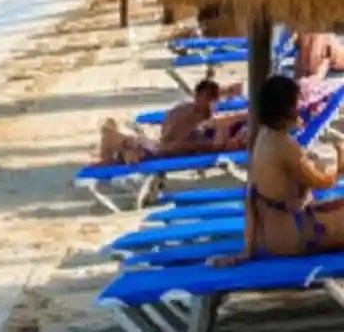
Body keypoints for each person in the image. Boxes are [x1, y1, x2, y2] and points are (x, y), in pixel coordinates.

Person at [217, 76, 344, 262]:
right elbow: (324, 182)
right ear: (287, 109)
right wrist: (340, 164)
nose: (300, 107)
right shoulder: (285, 146)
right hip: (292, 236)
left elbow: (251, 194)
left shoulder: (263, 136)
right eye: (297, 102)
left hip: (268, 235)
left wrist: (248, 248)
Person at [98, 79, 245, 164]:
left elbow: (215, 135)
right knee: (115, 131)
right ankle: (114, 152)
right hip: (165, 147)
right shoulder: (198, 115)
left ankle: (114, 153)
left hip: (164, 148)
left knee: (118, 135)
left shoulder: (199, 116)